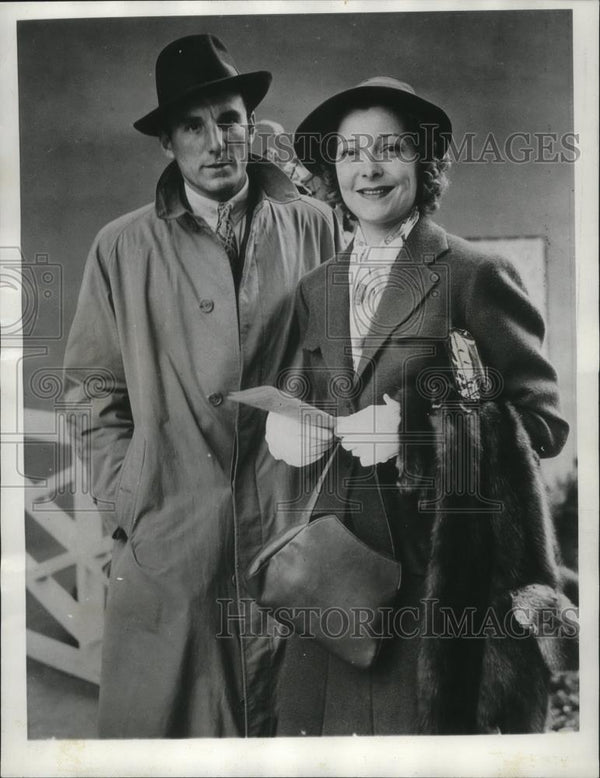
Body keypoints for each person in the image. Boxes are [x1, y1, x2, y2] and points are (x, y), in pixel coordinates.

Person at [264, 77, 573, 735]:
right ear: (331, 171)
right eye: (350, 153)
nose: (368, 169)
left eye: (390, 148)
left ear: (423, 160)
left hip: (436, 593)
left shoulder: (473, 273)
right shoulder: (316, 288)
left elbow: (542, 425)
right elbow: (309, 392)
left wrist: (416, 434)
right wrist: (289, 420)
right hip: (334, 584)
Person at [63, 34, 340, 738]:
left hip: (291, 522)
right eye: (192, 126)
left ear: (251, 126)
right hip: (171, 538)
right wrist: (130, 497)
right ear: (166, 141)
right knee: (171, 734)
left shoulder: (314, 224)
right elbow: (92, 388)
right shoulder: (121, 246)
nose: (216, 142)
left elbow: (347, 361)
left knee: (292, 728)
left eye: (229, 120)